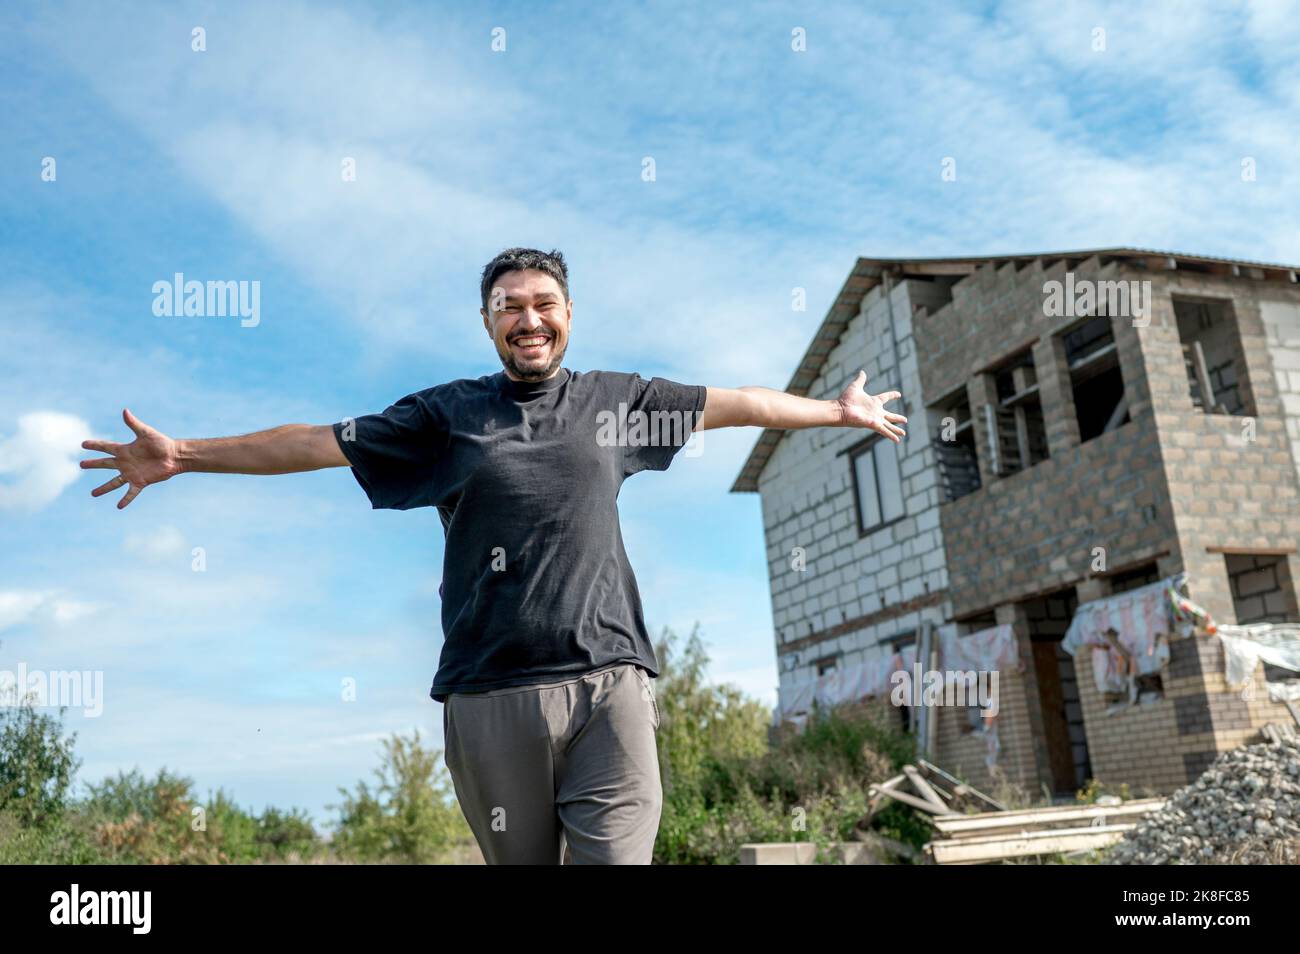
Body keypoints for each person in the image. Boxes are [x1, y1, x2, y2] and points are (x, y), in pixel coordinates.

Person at [80, 247, 906, 864]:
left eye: (544, 302)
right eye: (508, 305)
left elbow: (734, 404)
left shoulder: (615, 405)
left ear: (570, 314)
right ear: (489, 324)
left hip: (609, 681)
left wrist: (833, 412)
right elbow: (315, 442)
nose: (528, 317)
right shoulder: (447, 417)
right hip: (490, 692)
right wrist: (185, 453)